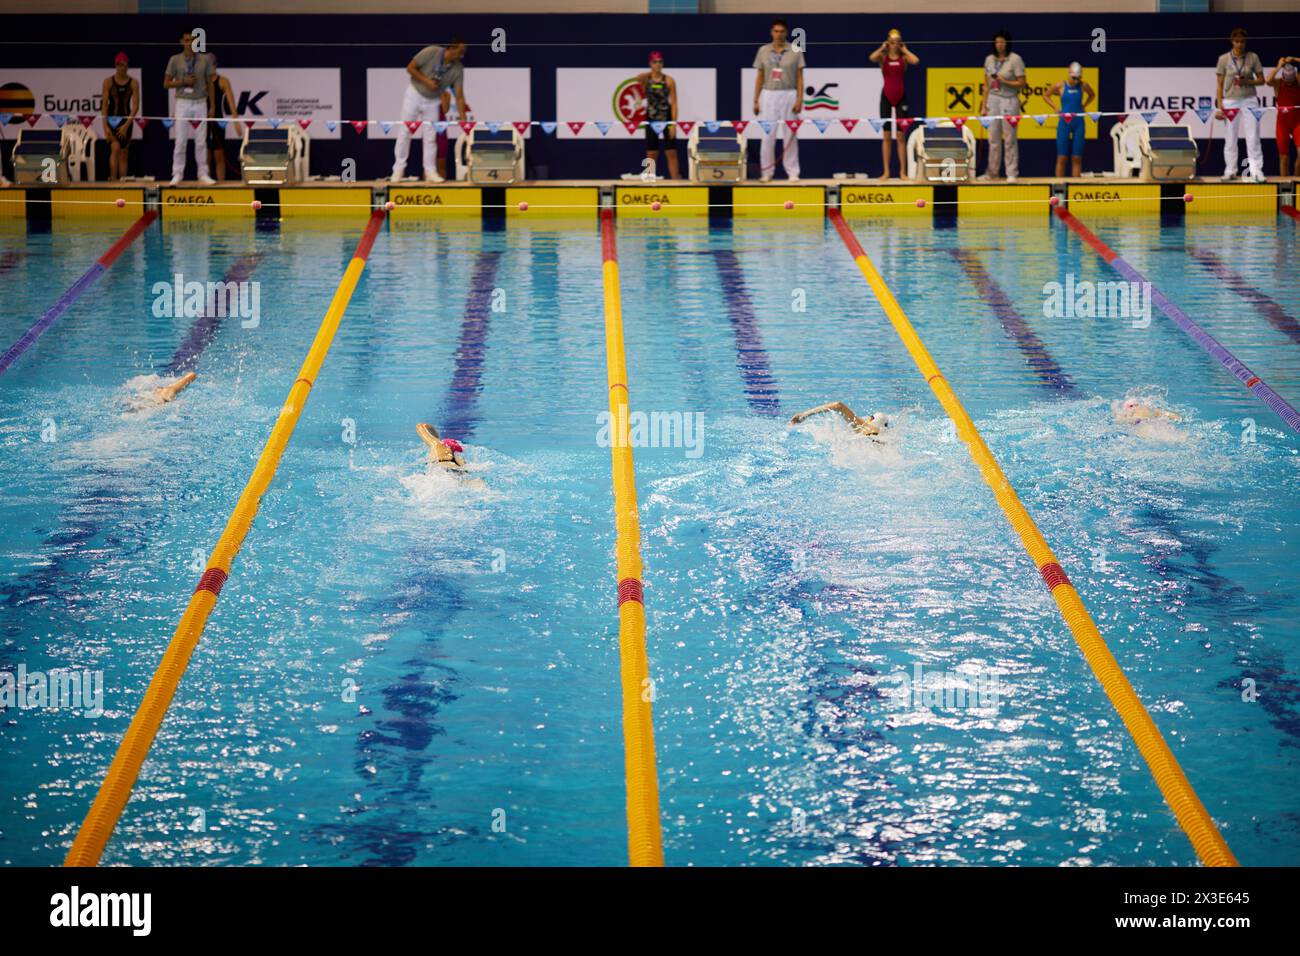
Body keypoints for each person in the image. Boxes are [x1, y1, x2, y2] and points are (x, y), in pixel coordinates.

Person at [392, 38, 469, 183]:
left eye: (463, 53)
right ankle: (398, 170)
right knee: (404, 131)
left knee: (430, 137)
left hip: (433, 100)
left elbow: (459, 97)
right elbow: (410, 68)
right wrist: (426, 81)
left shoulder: (458, 69)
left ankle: (430, 171)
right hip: (414, 94)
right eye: (460, 52)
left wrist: (464, 121)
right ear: (451, 47)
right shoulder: (431, 51)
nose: (461, 56)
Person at [752, 19, 805, 183]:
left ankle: (793, 172)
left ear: (786, 33)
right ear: (771, 32)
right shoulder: (763, 50)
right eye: (776, 31)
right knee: (767, 135)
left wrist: (799, 99)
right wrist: (755, 99)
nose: (779, 34)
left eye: (782, 31)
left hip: (789, 93)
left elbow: (800, 77)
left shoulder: (795, 50)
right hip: (769, 94)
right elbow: (760, 76)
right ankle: (767, 172)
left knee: (790, 134)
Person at [163, 32, 216, 186]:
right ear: (181, 42)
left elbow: (211, 83)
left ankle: (203, 173)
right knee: (180, 141)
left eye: (192, 40)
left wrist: (212, 105)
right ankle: (177, 174)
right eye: (187, 40)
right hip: (183, 102)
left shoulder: (205, 59)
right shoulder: (175, 60)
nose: (190, 43)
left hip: (200, 102)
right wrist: (182, 81)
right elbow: (166, 83)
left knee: (201, 141)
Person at [1215, 28, 1266, 183]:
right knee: (1230, 137)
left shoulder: (1253, 57)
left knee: (1253, 137)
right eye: (1237, 41)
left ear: (1245, 42)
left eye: (1242, 41)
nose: (1239, 44)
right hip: (1230, 100)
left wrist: (1247, 81)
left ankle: (1256, 171)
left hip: (1249, 99)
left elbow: (1262, 80)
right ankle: (1230, 171)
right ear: (1232, 42)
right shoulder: (1223, 59)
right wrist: (1219, 107)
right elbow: (1219, 85)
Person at [869, 29, 919, 181]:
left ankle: (902, 172)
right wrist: (882, 48)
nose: (895, 44)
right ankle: (886, 172)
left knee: (900, 136)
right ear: (888, 42)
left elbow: (916, 61)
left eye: (897, 41)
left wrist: (905, 49)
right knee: (886, 135)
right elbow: (871, 57)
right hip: (886, 97)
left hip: (901, 98)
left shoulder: (904, 58)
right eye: (892, 41)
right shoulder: (883, 57)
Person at [979, 30, 1026, 182]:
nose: (999, 45)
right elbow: (986, 84)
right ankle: (992, 172)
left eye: (1002, 42)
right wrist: (984, 105)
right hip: (993, 99)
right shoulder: (989, 60)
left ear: (1007, 43)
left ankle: (1011, 172)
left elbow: (1022, 83)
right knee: (993, 138)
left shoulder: (1015, 59)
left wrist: (1003, 80)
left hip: (1009, 100)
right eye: (997, 42)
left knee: (1010, 138)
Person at [1043, 62, 1095, 178]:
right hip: (1064, 123)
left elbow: (1092, 95)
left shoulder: (1083, 85)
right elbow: (1046, 95)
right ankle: (1059, 188)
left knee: (1077, 158)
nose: (1076, 81)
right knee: (1062, 157)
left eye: (1078, 78)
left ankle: (1075, 187)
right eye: (1074, 78)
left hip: (1078, 123)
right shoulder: (1060, 85)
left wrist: (1084, 106)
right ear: (1069, 75)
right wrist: (1055, 108)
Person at [638, 51, 680, 179]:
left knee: (671, 152)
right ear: (650, 63)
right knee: (651, 152)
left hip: (666, 118)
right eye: (655, 62)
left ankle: (676, 181)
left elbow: (674, 103)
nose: (658, 64)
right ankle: (649, 179)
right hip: (651, 118)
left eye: (660, 61)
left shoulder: (669, 80)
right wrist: (652, 72)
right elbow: (636, 78)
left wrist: (673, 124)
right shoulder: (646, 79)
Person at [101, 53, 138, 182]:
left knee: (124, 153)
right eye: (119, 65)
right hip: (112, 120)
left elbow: (135, 107)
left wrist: (126, 126)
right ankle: (113, 180)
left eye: (124, 65)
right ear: (115, 66)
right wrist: (105, 126)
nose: (122, 68)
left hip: (126, 121)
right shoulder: (108, 82)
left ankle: (122, 183)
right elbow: (104, 105)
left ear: (127, 66)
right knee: (115, 148)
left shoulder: (134, 83)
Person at [206, 54, 240, 182]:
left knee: (218, 156)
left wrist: (236, 122)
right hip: (203, 121)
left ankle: (221, 184)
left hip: (218, 121)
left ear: (215, 65)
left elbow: (231, 103)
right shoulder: (200, 81)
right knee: (205, 157)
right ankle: (206, 182)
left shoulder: (222, 81)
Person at [1267, 56, 1300, 177]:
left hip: (1298, 123)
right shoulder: (1278, 83)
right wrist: (1278, 66)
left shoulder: (1298, 80)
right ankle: (1284, 186)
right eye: (1287, 80)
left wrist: (1295, 60)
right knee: (1283, 158)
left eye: (1291, 80)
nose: (1289, 82)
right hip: (1283, 124)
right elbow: (1268, 80)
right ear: (1284, 77)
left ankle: (1297, 182)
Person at [789, 401, 889, 438]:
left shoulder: (864, 427)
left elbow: (838, 405)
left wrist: (804, 415)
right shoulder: (887, 437)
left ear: (871, 419)